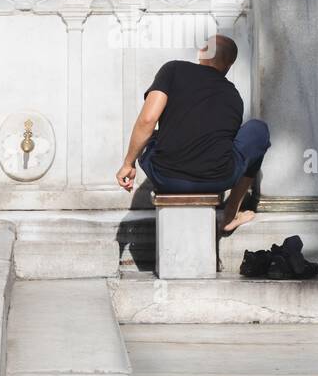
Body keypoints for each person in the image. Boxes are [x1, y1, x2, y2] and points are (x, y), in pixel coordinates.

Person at [116, 35, 270, 234]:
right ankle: (231, 212)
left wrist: (128, 163)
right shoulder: (234, 96)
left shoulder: (173, 70)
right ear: (229, 65)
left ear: (201, 53)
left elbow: (147, 120)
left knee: (152, 136)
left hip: (165, 177)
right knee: (258, 129)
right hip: (218, 179)